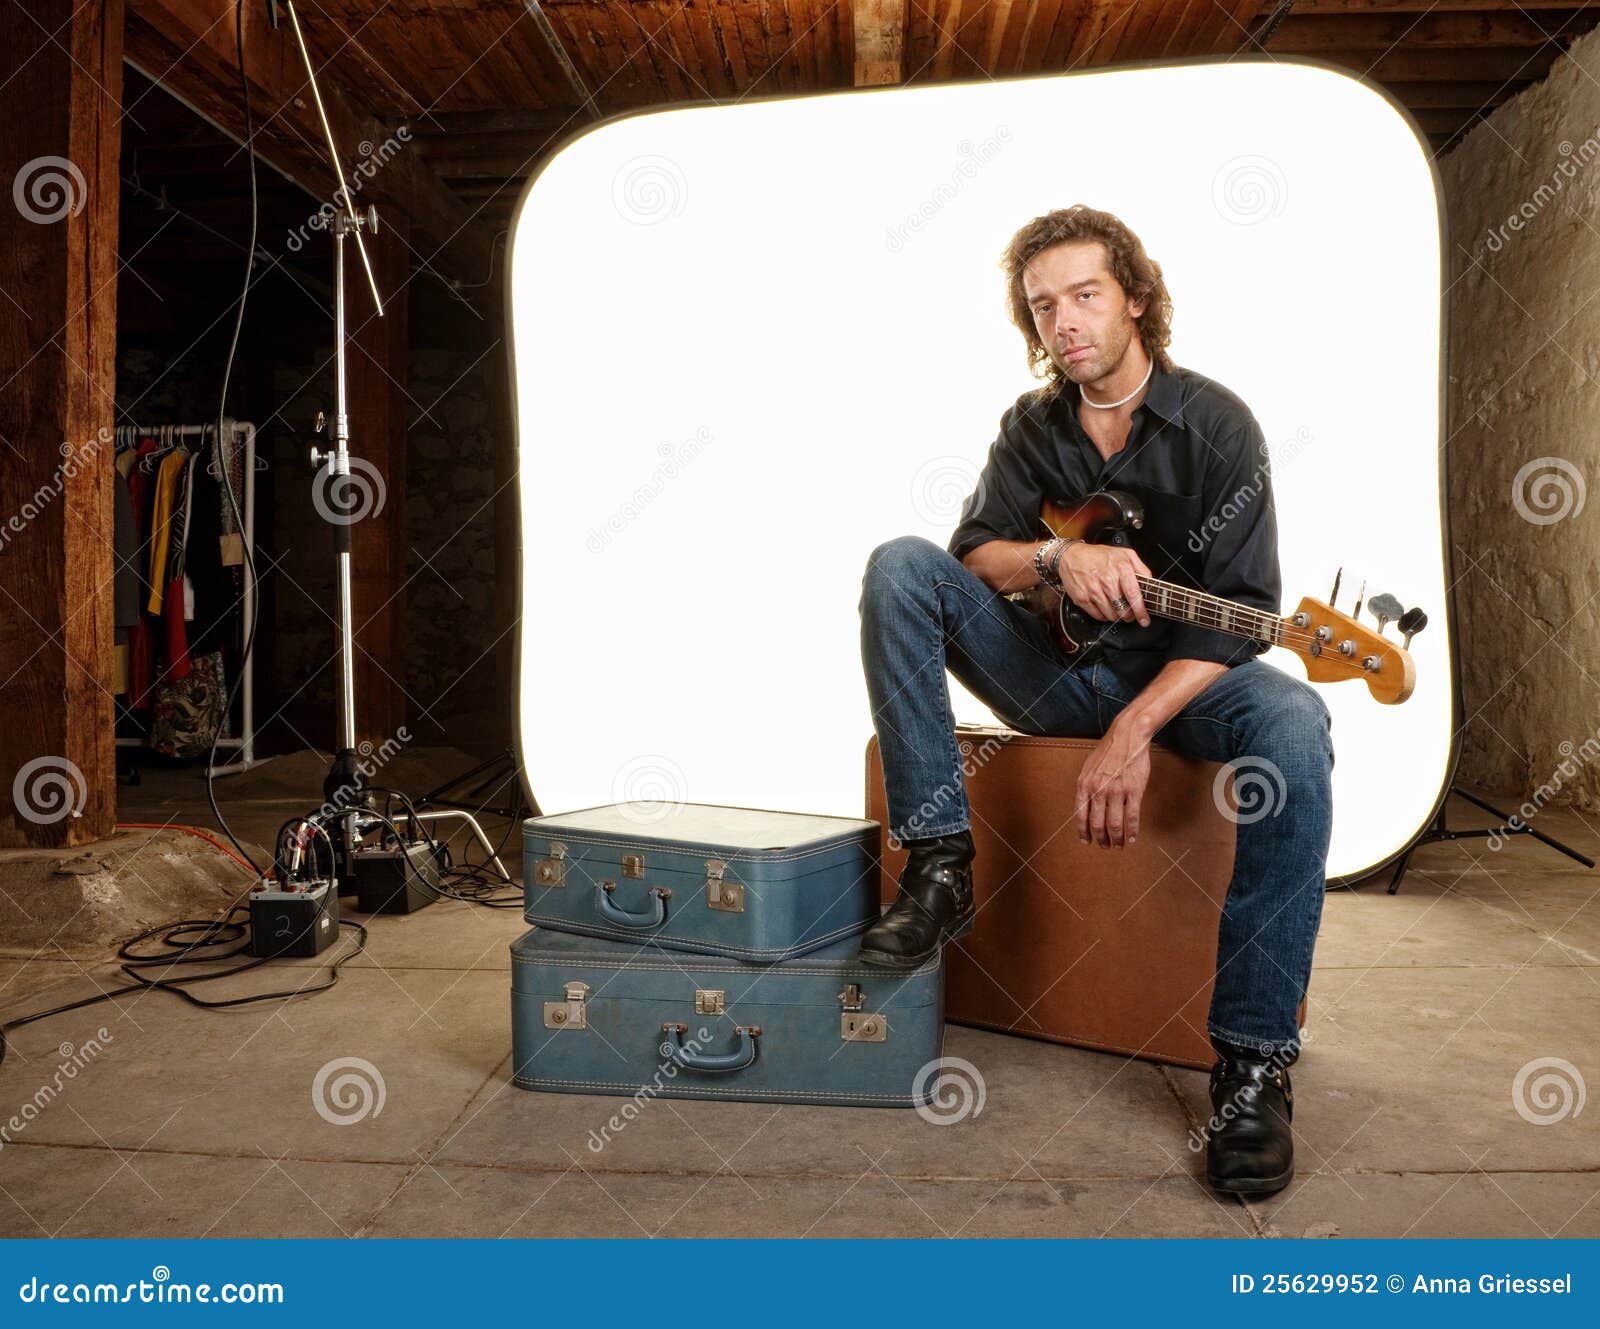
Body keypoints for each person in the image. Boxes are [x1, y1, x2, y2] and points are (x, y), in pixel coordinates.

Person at [856, 205, 1333, 1197]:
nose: (1064, 321)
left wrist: (1134, 725)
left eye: (1084, 294)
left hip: (1178, 686)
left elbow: (1244, 614)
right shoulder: (1030, 428)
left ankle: (1251, 1067)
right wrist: (1054, 558)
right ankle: (940, 865)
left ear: (1136, 299)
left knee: (1295, 721)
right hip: (1052, 672)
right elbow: (972, 559)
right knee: (899, 566)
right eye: (1043, 306)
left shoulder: (1217, 425)